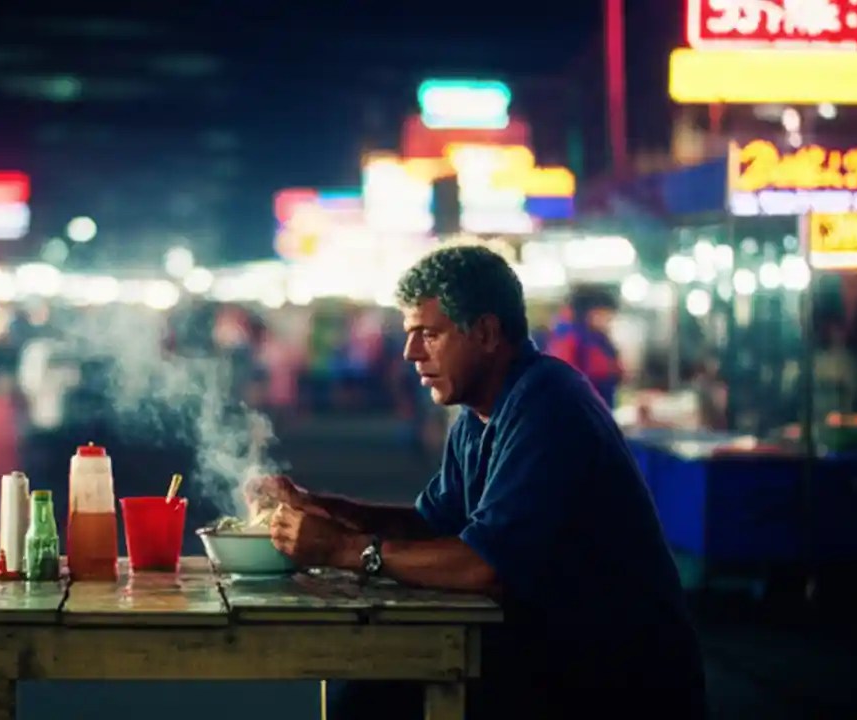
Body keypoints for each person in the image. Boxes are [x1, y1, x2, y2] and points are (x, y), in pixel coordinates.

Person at [251, 245, 705, 719]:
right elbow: (433, 526)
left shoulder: (548, 407)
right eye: (410, 335)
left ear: (486, 333)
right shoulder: (477, 416)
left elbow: (487, 568)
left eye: (429, 334)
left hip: (613, 683)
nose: (410, 353)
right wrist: (320, 509)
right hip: (542, 659)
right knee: (369, 694)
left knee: (375, 699)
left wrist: (342, 550)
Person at [545, 287, 624, 408]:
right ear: (589, 312)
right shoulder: (569, 338)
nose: (608, 320)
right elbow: (563, 381)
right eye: (604, 314)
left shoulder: (598, 338)